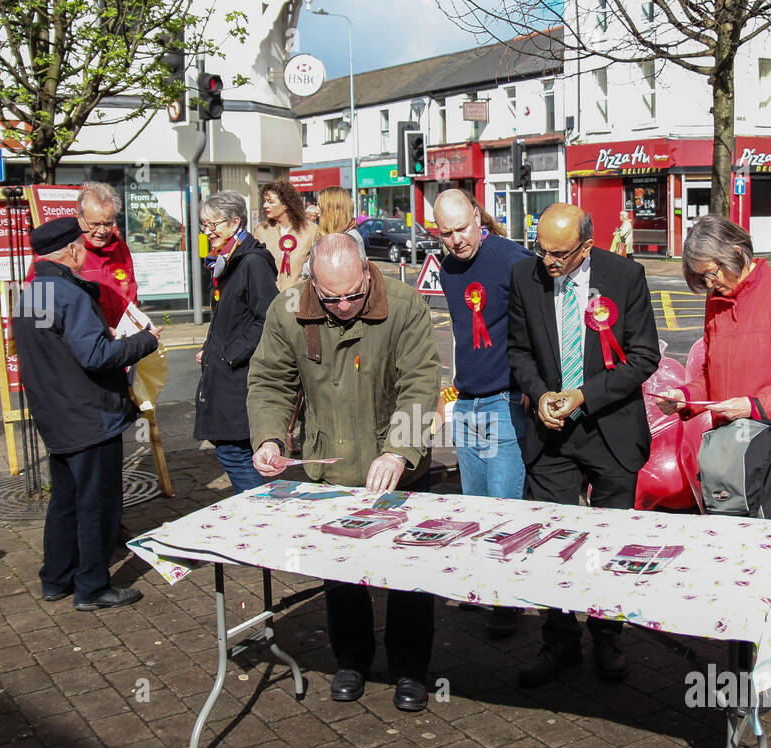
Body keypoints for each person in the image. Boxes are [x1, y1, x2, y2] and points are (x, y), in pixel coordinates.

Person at [248, 233, 440, 712]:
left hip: (398, 469)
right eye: (332, 297)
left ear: (366, 272)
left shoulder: (404, 304)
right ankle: (351, 660)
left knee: (409, 574)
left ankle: (411, 670)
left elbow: (420, 385)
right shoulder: (287, 309)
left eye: (355, 294)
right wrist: (270, 437)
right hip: (327, 469)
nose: (346, 305)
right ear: (313, 281)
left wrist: (399, 451)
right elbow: (271, 381)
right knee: (340, 574)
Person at [507, 203, 661, 686]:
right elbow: (518, 350)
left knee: (610, 543)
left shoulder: (625, 275)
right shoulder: (523, 274)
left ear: (586, 247)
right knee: (554, 543)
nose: (547, 262)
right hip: (551, 436)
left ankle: (608, 637)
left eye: (559, 254)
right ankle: (559, 641)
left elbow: (644, 357)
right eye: (541, 250)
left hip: (611, 431)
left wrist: (583, 395)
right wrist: (541, 394)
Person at [654, 214, 771, 539]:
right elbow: (714, 373)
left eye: (712, 273)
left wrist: (756, 405)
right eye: (702, 278)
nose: (710, 284)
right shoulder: (717, 301)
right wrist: (686, 396)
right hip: (736, 455)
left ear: (737, 253)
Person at [12, 217, 160, 611]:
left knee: (66, 500)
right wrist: (143, 341)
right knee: (96, 503)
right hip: (89, 415)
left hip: (55, 415)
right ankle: (92, 587)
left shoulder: (31, 292)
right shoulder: (69, 294)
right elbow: (94, 356)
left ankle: (56, 578)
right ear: (73, 250)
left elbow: (56, 350)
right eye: (82, 246)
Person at [435, 187, 533, 640]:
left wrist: (535, 388)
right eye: (446, 233)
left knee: (503, 506)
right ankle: (483, 588)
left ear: (478, 217)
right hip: (468, 400)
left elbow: (539, 325)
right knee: (474, 505)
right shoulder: (447, 266)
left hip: (504, 398)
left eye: (462, 229)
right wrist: (450, 394)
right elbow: (460, 336)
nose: (456, 241)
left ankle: (508, 598)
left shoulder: (513, 259)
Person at [193, 191, 277, 494]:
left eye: (212, 225)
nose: (207, 232)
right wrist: (212, 348)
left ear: (235, 222)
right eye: (204, 225)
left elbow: (267, 317)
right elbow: (229, 316)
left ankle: (262, 512)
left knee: (234, 452)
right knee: (236, 451)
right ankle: (261, 511)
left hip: (239, 375)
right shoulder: (228, 259)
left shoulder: (252, 261)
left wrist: (229, 354)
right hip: (227, 371)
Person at [24, 181, 138, 329]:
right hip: (83, 345)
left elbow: (130, 293)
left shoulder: (120, 248)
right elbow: (36, 313)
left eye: (108, 224)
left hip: (121, 343)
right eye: (95, 224)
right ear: (78, 216)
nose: (102, 231)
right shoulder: (58, 252)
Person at [254, 179, 319, 294]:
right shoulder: (261, 230)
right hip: (269, 299)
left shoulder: (311, 231)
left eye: (270, 202)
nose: (265, 205)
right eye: (264, 201)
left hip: (300, 300)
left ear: (285, 204)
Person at [299, 186, 364, 280]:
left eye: (319, 205)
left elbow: (320, 269)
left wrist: (302, 267)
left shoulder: (349, 238)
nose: (317, 211)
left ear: (331, 209)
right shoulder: (334, 235)